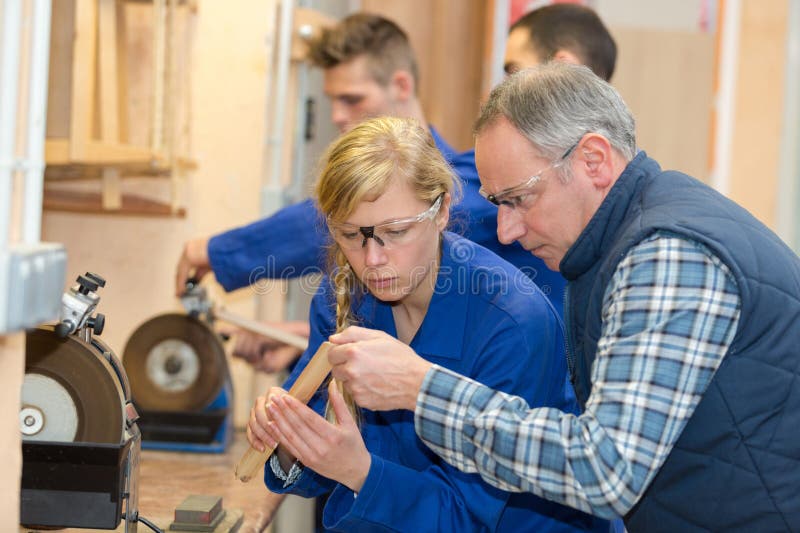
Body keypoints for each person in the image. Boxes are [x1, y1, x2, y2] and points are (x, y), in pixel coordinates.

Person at [322, 63, 800, 532]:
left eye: (519, 198)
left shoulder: (666, 255)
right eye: (496, 204)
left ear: (592, 159)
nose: (506, 231)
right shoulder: (624, 242)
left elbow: (604, 471)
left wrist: (421, 388)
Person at [246, 116, 608, 532]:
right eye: (350, 235)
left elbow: (466, 519)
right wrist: (290, 440)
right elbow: (316, 460)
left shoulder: (513, 324)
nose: (372, 259)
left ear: (442, 211)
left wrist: (360, 471)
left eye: (396, 232)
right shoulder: (342, 295)